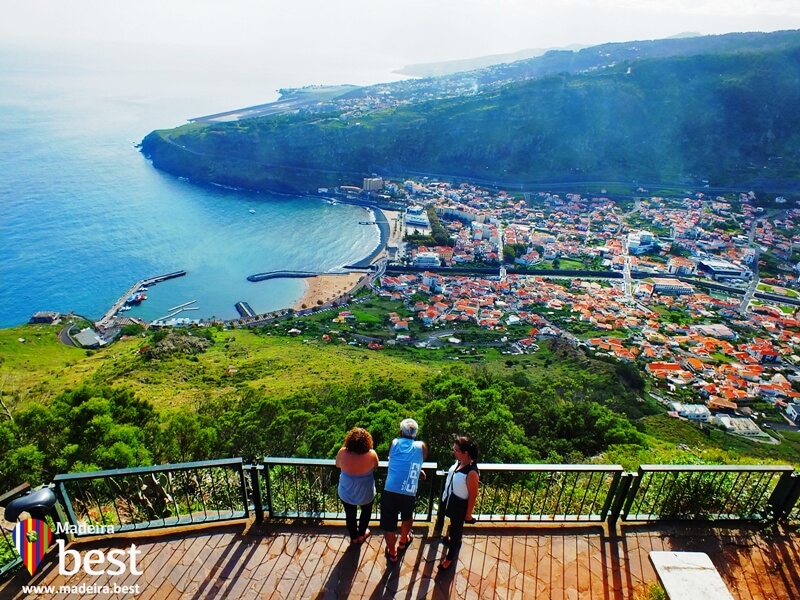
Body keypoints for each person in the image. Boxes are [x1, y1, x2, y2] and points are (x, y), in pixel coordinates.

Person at [380, 418, 427, 563]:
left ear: (400, 432)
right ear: (416, 434)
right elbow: (418, 460)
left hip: (391, 490)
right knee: (407, 517)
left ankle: (392, 553)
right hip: (409, 490)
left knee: (389, 525)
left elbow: (393, 459)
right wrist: (419, 470)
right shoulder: (421, 446)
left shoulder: (394, 443)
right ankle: (402, 541)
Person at [438, 436, 480, 571]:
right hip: (451, 499)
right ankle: (454, 541)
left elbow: (473, 495)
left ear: (465, 453)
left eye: (456, 450)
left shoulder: (471, 472)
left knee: (456, 530)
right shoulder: (459, 462)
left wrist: (468, 514)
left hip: (459, 505)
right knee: (454, 527)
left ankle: (450, 557)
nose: (453, 452)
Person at [336, 427, 379, 545]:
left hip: (347, 492)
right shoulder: (372, 455)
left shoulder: (342, 453)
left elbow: (337, 465)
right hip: (366, 493)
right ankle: (361, 534)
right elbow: (376, 466)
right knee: (366, 513)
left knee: (350, 515)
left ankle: (354, 538)